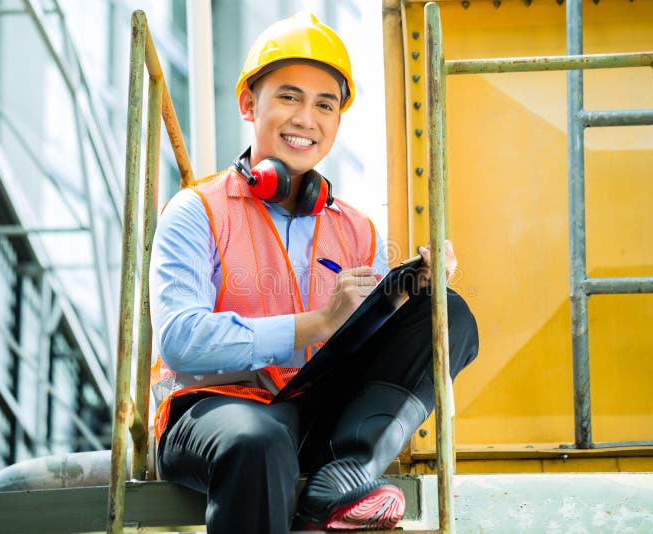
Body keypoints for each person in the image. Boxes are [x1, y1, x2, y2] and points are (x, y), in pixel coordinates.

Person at [149, 13, 479, 534]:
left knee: (446, 309)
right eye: (288, 97)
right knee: (255, 440)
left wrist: (406, 292)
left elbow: (356, 353)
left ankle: (346, 475)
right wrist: (316, 323)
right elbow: (180, 341)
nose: (307, 117)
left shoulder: (358, 230)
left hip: (310, 416)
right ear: (248, 104)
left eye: (325, 104)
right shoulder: (196, 210)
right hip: (213, 412)